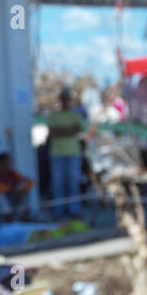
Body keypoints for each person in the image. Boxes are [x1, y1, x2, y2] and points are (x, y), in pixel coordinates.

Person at [46, 88, 87, 218]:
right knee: (58, 183)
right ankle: (58, 211)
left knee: (73, 183)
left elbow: (78, 130)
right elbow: (52, 133)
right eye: (63, 99)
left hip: (73, 153)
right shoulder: (53, 115)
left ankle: (74, 210)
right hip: (57, 154)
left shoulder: (76, 115)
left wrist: (62, 131)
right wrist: (68, 131)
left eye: (67, 99)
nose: (65, 101)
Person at [0, 151, 34, 220]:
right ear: (0, 163)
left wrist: (21, 191)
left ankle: (24, 215)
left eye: (9, 162)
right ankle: (8, 216)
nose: (8, 164)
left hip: (11, 199)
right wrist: (11, 189)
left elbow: (30, 182)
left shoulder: (13, 173)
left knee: (24, 190)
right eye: (5, 162)